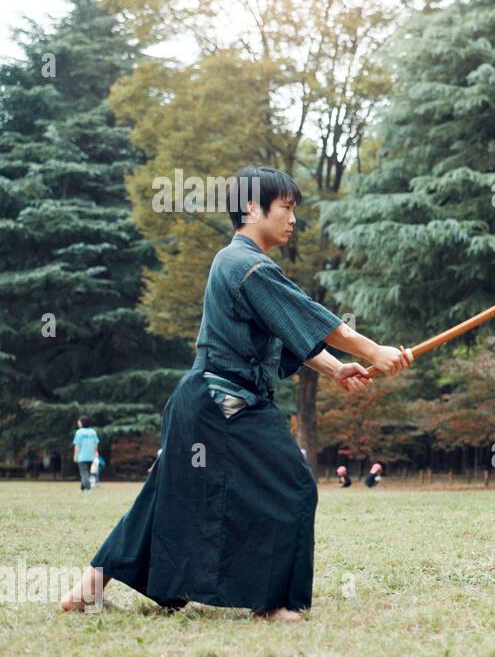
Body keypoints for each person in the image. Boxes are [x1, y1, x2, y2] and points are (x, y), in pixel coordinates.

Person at [60, 165, 413, 621]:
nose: (292, 219)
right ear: (252, 207)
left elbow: (286, 332)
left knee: (163, 496)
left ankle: (86, 588)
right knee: (291, 483)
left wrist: (334, 368)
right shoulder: (247, 265)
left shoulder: (240, 263)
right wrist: (373, 349)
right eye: (286, 208)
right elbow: (308, 315)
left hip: (202, 402)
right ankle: (269, 604)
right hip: (225, 402)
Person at [71, 416, 99, 493]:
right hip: (90, 456)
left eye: (79, 421)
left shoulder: (79, 432)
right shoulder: (93, 432)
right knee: (87, 473)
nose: (78, 423)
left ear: (82, 422)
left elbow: (77, 445)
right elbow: (96, 443)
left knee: (84, 473)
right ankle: (82, 488)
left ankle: (88, 488)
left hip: (82, 456)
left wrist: (75, 455)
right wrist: (94, 453)